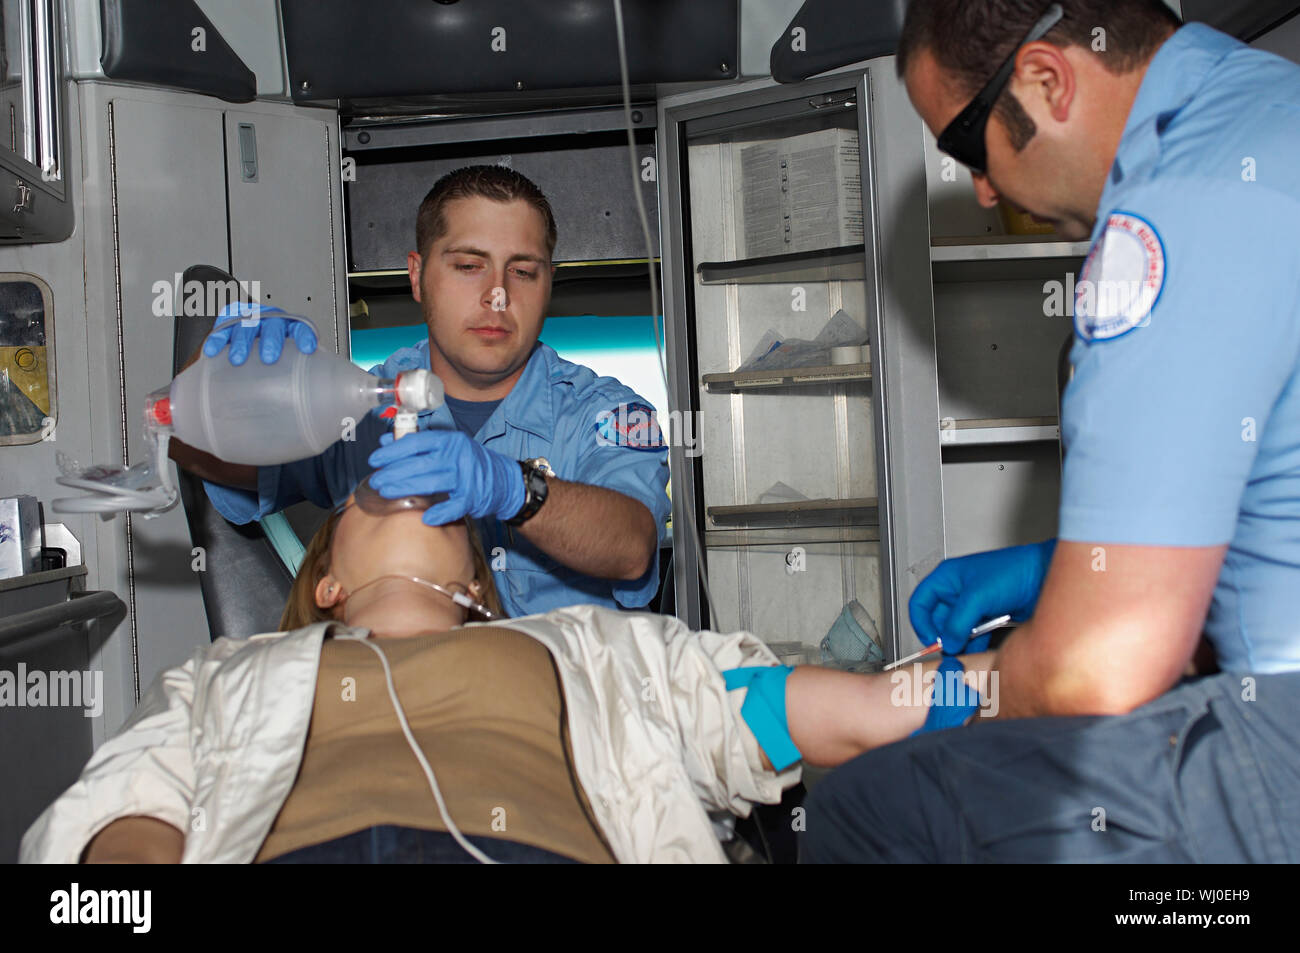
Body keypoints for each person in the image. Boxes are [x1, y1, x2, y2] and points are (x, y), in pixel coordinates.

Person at [802, 0, 1300, 862]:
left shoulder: (1171, 214)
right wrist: (1053, 573)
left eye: (966, 146)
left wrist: (937, 693)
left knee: (865, 810)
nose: (985, 189)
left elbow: (1090, 672)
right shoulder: (1266, 111)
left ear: (1046, 79)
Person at [21, 484, 996, 864]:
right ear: (325, 580)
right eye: (370, 490)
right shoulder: (229, 675)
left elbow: (851, 709)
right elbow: (121, 814)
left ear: (478, 580)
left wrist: (1022, 677)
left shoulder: (599, 651)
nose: (403, 481)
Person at [170, 165, 670, 618]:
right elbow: (193, 449)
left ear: (548, 284)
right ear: (416, 276)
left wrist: (514, 489)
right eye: (469, 266)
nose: (497, 295)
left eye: (522, 271)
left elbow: (631, 546)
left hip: (570, 709)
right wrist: (215, 370)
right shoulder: (362, 409)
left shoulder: (608, 413)